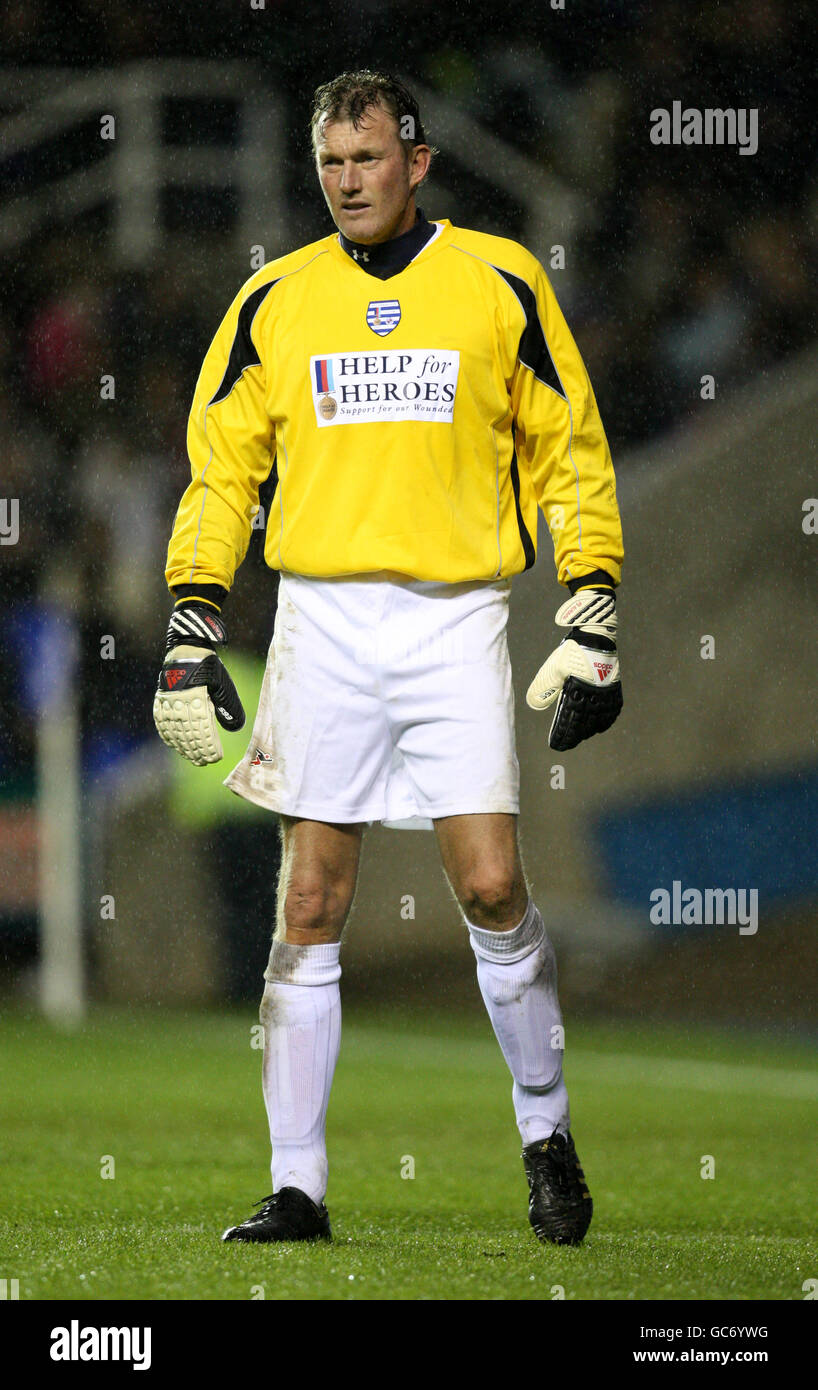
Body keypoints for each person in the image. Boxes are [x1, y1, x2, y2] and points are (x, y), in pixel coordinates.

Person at [153, 70, 624, 1248]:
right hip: (323, 620)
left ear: (416, 162)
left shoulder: (501, 280)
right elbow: (222, 473)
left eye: (367, 159)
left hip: (454, 616)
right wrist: (190, 619)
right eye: (330, 163)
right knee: (307, 898)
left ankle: (545, 1130)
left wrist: (593, 602)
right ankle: (298, 1185)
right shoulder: (272, 299)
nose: (347, 181)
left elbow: (569, 448)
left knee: (490, 886)